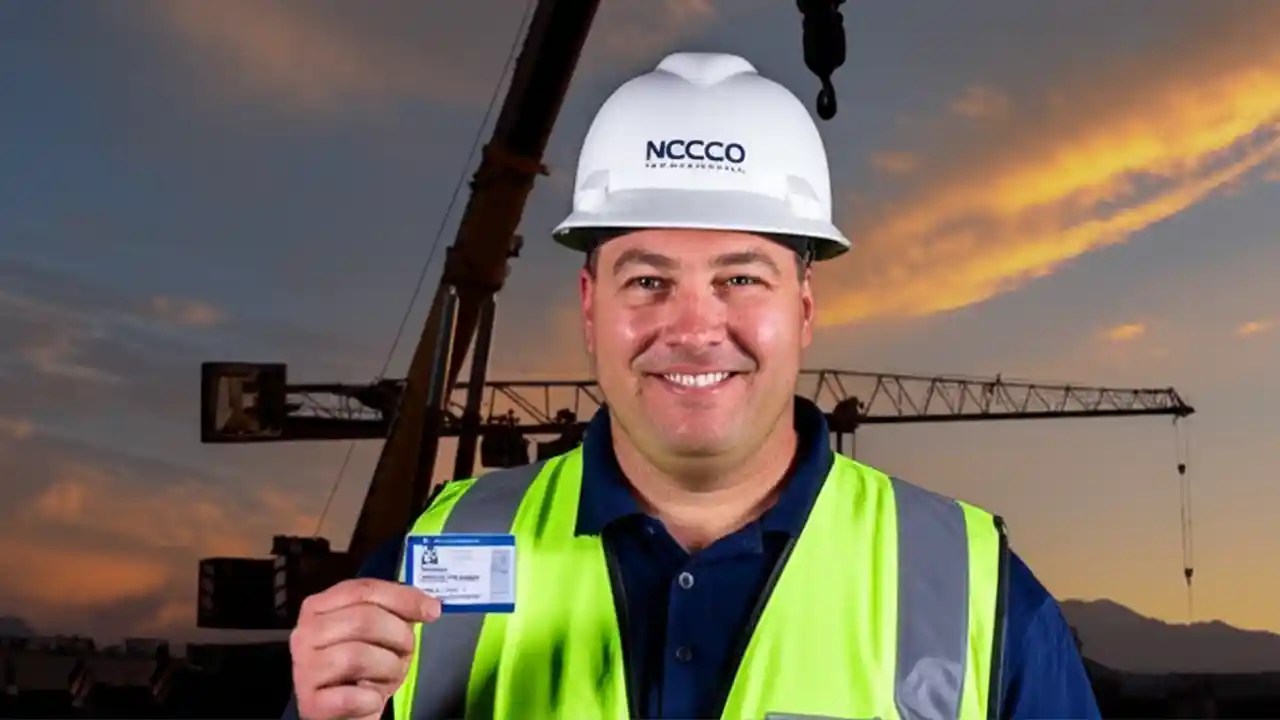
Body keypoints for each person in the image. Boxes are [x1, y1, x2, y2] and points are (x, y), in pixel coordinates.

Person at [285, 52, 1102, 720]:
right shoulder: (440, 557)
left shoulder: (973, 590)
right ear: (589, 306)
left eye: (741, 278)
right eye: (648, 282)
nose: (694, 328)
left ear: (805, 308)